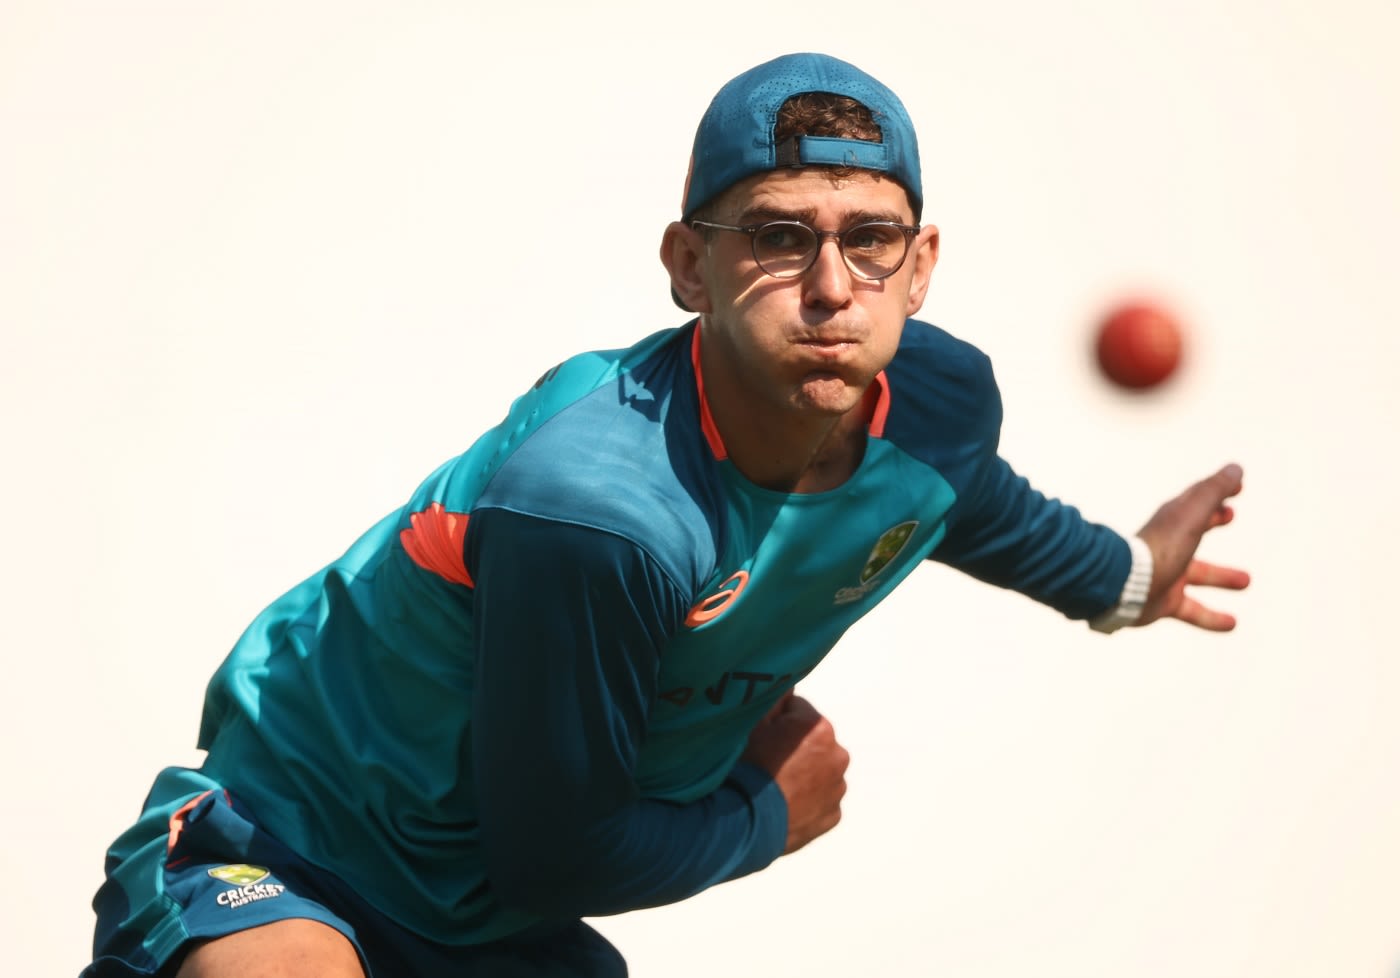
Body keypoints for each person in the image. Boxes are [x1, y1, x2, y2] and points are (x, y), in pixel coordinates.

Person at [83, 52, 1249, 978]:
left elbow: (958, 502)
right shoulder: (600, 510)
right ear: (688, 265)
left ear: (922, 263)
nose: (833, 288)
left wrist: (1126, 578)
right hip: (296, 847)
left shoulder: (937, 404)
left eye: (871, 240)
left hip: (491, 936)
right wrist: (764, 814)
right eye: (779, 238)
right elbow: (550, 853)